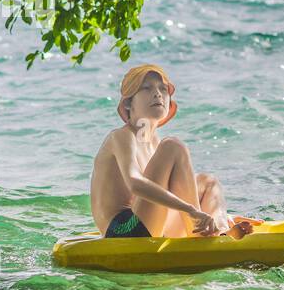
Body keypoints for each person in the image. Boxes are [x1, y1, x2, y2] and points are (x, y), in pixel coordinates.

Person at [90, 64, 255, 239]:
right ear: (129, 103)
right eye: (147, 88)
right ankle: (202, 234)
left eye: (163, 89)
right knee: (173, 145)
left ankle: (220, 229)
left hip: (146, 224)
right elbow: (135, 183)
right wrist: (191, 210)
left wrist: (217, 214)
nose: (158, 94)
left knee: (208, 182)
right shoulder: (122, 136)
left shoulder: (155, 143)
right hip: (122, 230)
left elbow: (175, 194)